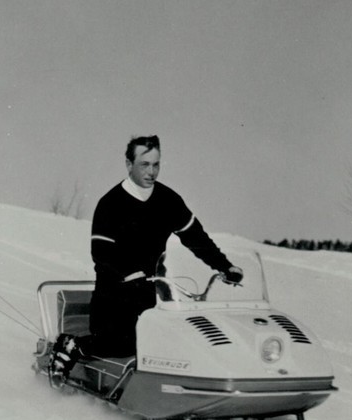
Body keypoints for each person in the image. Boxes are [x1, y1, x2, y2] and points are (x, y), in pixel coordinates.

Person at [51, 135, 242, 380]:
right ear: (129, 164)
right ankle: (73, 346)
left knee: (181, 339)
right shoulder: (111, 203)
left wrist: (225, 266)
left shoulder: (168, 200)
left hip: (150, 294)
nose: (151, 171)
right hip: (114, 295)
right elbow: (102, 253)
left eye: (156, 164)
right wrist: (128, 274)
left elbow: (196, 238)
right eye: (144, 164)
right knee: (127, 343)